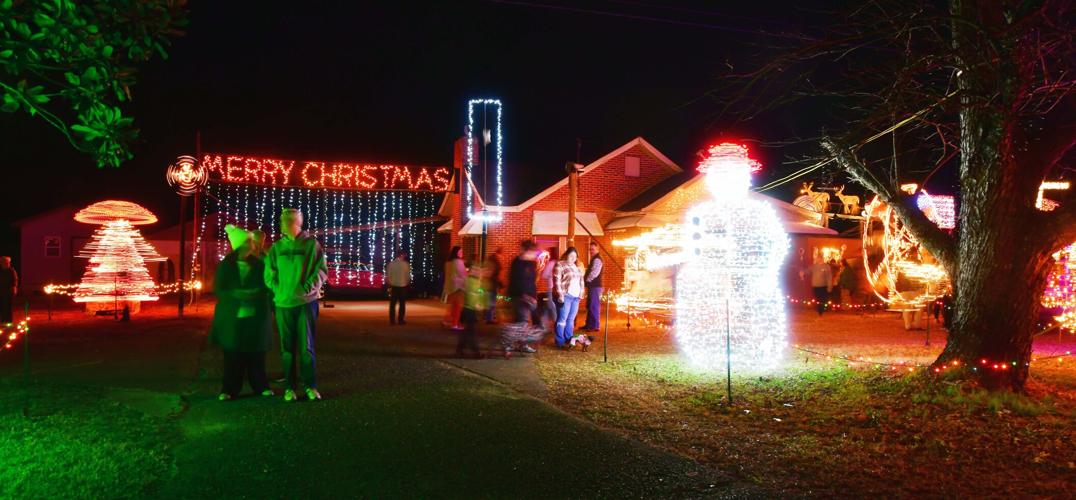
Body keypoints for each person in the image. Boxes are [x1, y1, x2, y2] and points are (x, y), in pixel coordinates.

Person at [265, 208, 328, 402]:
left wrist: (305, 289)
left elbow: (321, 270)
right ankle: (289, 388)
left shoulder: (311, 245)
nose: (280, 224)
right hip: (283, 304)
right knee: (287, 349)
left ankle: (310, 386)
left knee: (306, 348)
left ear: (292, 223)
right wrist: (280, 290)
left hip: (306, 304)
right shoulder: (277, 247)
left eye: (283, 221)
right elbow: (269, 273)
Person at [210, 225, 274, 401]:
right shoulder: (226, 265)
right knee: (233, 354)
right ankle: (229, 388)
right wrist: (235, 294)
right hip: (232, 315)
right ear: (240, 245)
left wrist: (258, 293)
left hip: (256, 315)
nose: (252, 245)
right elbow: (219, 288)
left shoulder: (259, 264)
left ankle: (260, 385)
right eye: (248, 242)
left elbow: (267, 286)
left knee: (256, 353)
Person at [507, 240, 540, 353]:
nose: (534, 255)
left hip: (529, 297)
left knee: (520, 322)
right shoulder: (517, 263)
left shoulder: (531, 264)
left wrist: (534, 295)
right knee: (523, 322)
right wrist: (524, 295)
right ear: (526, 251)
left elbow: (531, 282)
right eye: (532, 252)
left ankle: (514, 343)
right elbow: (516, 281)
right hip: (519, 297)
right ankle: (520, 344)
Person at [553, 247, 585, 348]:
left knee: (571, 319)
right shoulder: (560, 265)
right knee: (562, 319)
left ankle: (569, 339)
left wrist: (581, 293)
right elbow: (557, 281)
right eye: (571, 256)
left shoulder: (576, 267)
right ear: (566, 255)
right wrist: (560, 295)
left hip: (576, 297)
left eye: (575, 256)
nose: (573, 258)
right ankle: (560, 342)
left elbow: (581, 280)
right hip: (566, 296)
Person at [457, 265, 485, 358]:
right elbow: (472, 295)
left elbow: (477, 294)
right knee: (471, 332)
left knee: (468, 332)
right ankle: (475, 352)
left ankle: (461, 349)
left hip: (468, 309)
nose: (478, 272)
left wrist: (479, 303)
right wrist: (477, 305)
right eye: (476, 270)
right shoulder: (472, 281)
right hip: (469, 310)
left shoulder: (474, 281)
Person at [441, 246, 466, 330]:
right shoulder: (459, 262)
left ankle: (447, 320)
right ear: (456, 253)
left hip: (450, 287)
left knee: (453, 305)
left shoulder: (448, 262)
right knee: (457, 307)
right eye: (460, 251)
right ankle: (455, 324)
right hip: (458, 287)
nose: (462, 253)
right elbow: (462, 274)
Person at [582, 242, 603, 332]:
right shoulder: (594, 259)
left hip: (595, 286)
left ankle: (595, 326)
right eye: (590, 249)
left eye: (593, 249)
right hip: (593, 286)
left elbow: (594, 273)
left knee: (594, 306)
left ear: (597, 249)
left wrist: (587, 280)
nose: (591, 251)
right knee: (590, 305)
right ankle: (589, 325)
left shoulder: (597, 259)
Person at [387, 251, 410, 325]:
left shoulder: (391, 264)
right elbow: (408, 276)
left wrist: (390, 283)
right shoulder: (406, 264)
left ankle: (392, 320)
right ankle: (401, 319)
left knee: (392, 304)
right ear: (402, 255)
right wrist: (407, 282)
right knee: (402, 304)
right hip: (403, 286)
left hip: (394, 286)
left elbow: (388, 275)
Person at [539, 247, 559, 330]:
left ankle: (557, 326)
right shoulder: (559, 263)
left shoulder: (551, 263)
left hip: (551, 288)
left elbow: (544, 275)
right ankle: (543, 325)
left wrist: (548, 276)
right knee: (548, 307)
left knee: (551, 307)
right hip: (558, 289)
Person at [484, 247, 504, 324]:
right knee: (492, 301)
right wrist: (501, 284)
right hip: (492, 284)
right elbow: (497, 274)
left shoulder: (490, 260)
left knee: (489, 301)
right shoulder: (496, 262)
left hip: (488, 284)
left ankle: (489, 316)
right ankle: (490, 318)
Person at [0, 256, 16, 324]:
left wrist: (14, 288)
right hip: (1, 290)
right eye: (3, 262)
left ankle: (9, 320)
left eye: (6, 262)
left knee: (8, 306)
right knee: (2, 306)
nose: (4, 264)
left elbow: (14, 280)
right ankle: (3, 320)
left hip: (9, 291)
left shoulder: (11, 271)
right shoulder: (1, 271)